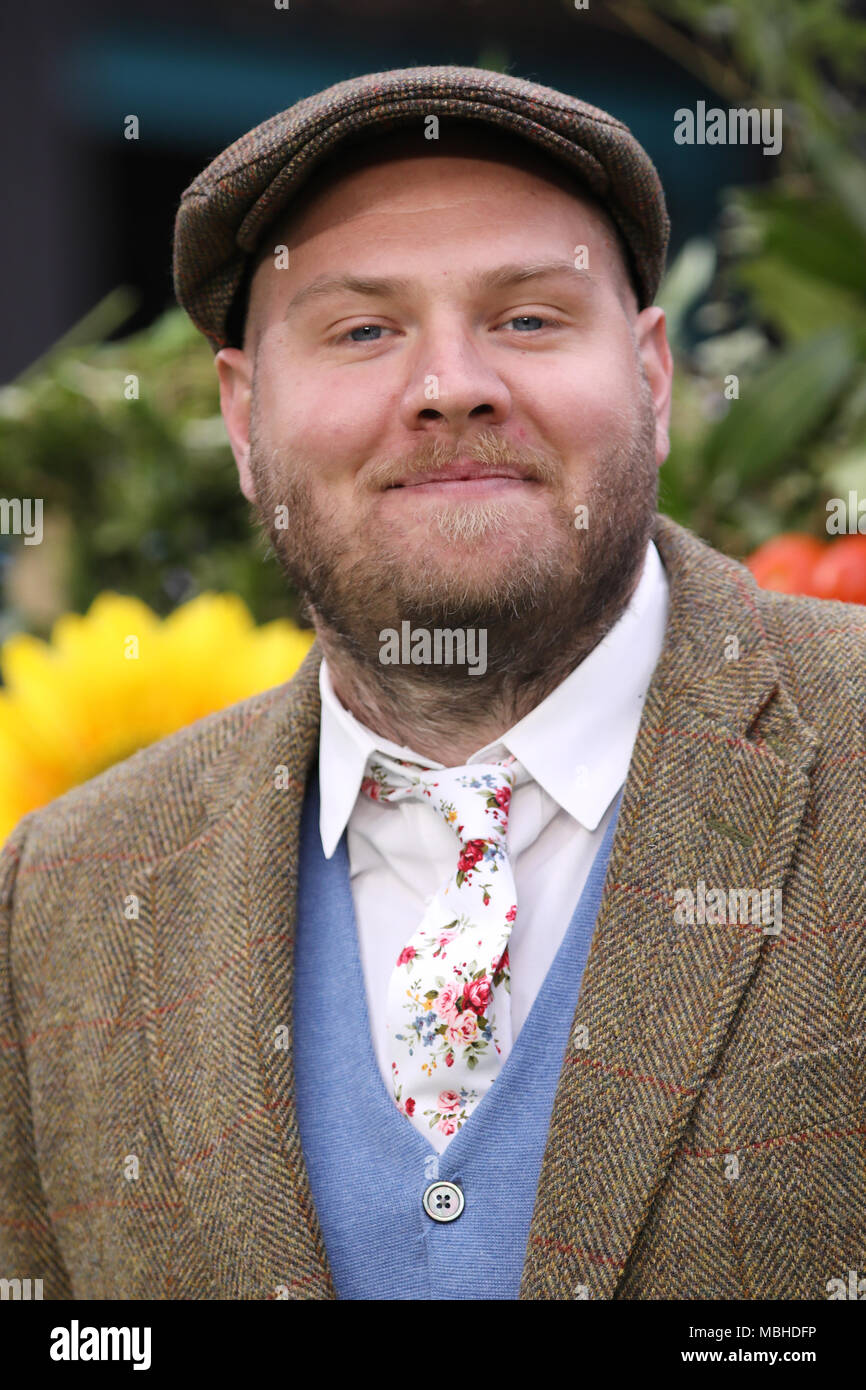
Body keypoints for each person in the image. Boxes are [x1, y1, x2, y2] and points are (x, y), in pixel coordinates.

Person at [1, 66, 864, 1302]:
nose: (450, 383)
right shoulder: (61, 896)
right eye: (361, 329)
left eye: (526, 318)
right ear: (244, 423)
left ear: (653, 378)